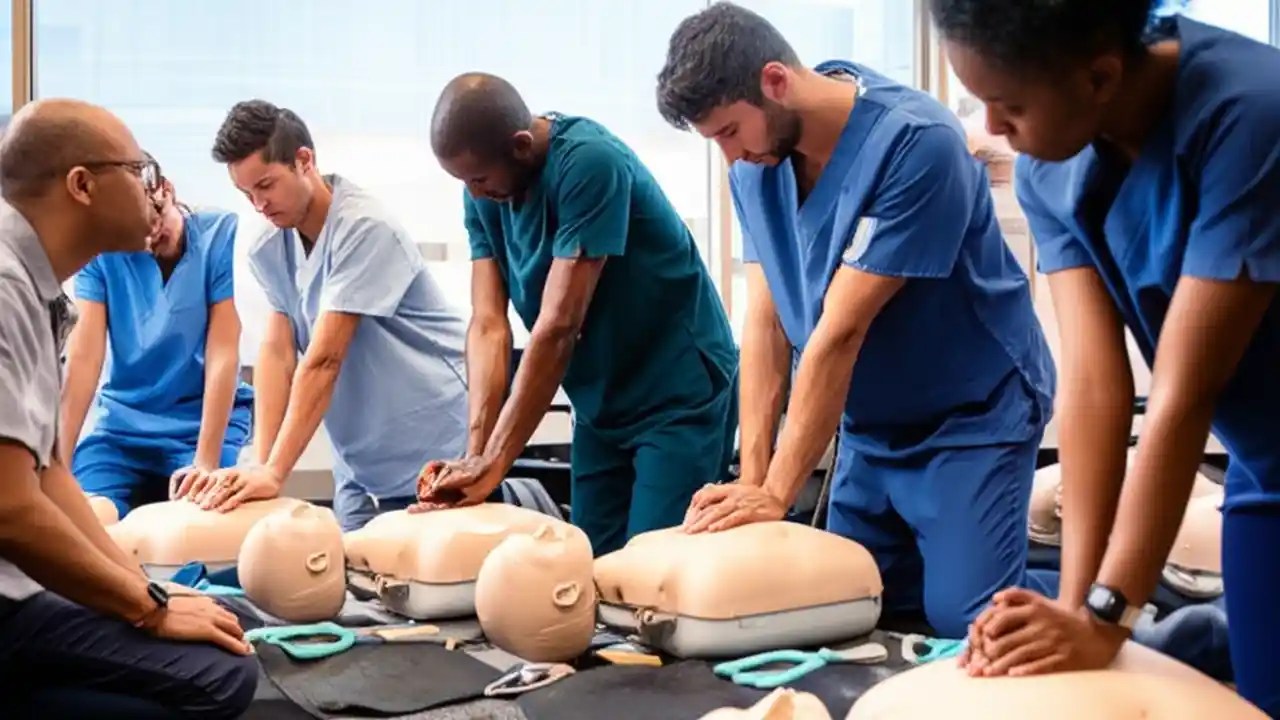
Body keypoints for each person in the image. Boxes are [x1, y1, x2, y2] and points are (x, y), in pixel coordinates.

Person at [657, 2, 1056, 638]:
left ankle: (1104, 597)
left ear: (775, 81)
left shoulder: (915, 143)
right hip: (871, 424)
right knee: (849, 600)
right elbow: (766, 325)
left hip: (972, 415)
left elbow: (839, 333)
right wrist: (752, 483)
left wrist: (778, 494)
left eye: (729, 131)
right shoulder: (757, 167)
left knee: (970, 621)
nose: (729, 157)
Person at [931, 0, 1280, 713]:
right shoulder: (1051, 167)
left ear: (1099, 77)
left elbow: (1182, 393)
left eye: (1010, 106)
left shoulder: (1251, 114)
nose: (991, 129)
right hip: (1263, 458)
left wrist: (1109, 614)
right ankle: (1202, 634)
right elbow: (1094, 386)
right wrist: (1076, 607)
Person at [0, 98, 256, 718]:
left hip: (18, 581)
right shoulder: (7, 289)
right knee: (221, 676)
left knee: (223, 627)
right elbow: (10, 508)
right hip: (6, 599)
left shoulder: (33, 283)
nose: (149, 187)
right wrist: (146, 607)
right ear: (82, 185)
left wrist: (146, 589)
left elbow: (47, 474)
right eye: (137, 170)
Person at [424, 73, 739, 556]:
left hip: (677, 394)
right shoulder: (484, 194)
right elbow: (488, 324)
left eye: (479, 179)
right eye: (464, 182)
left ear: (521, 146)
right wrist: (475, 454)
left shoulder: (590, 163)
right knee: (588, 562)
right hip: (600, 403)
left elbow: (558, 326)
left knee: (652, 565)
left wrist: (495, 464)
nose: (474, 193)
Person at [185, 99, 472, 532]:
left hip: (436, 446)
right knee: (348, 568)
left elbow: (323, 359)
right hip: (360, 462)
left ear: (304, 160)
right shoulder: (269, 247)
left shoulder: (365, 227)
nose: (259, 204)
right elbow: (278, 354)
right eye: (247, 194)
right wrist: (262, 463)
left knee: (427, 568)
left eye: (266, 185)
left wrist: (275, 471)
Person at [59, 153, 254, 519]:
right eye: (136, 231)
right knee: (85, 514)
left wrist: (205, 463)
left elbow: (223, 353)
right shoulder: (102, 253)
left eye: (156, 218)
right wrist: (57, 465)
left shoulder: (218, 234)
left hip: (199, 424)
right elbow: (84, 357)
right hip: (123, 427)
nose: (150, 238)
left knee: (197, 517)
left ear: (167, 190)